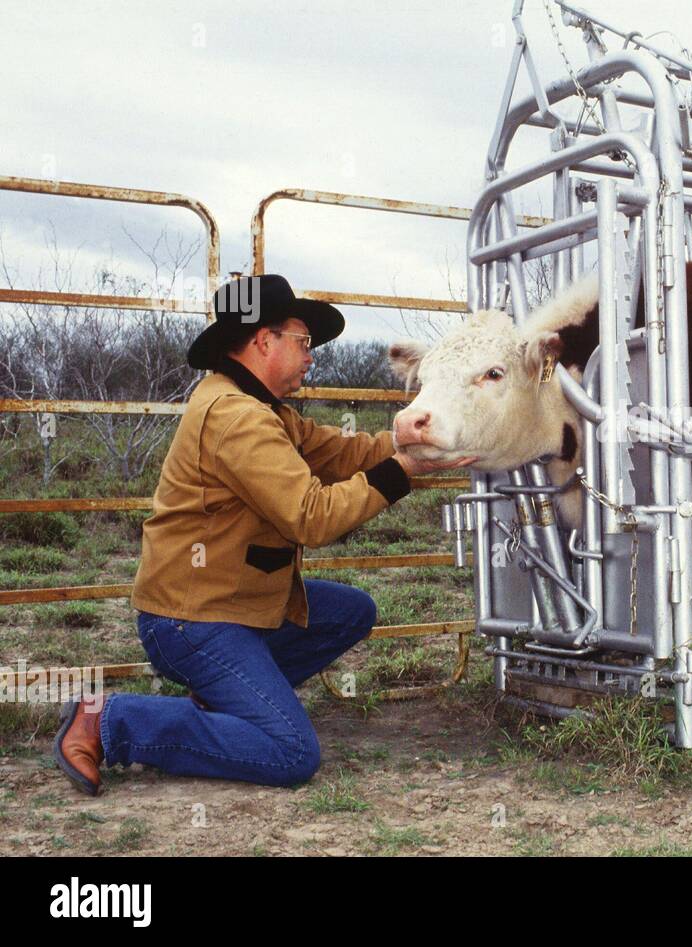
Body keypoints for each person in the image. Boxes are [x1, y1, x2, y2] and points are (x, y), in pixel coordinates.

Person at [53, 274, 445, 795]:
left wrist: (406, 437)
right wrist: (401, 471)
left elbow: (339, 452)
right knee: (291, 754)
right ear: (264, 341)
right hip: (191, 621)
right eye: (304, 343)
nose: (312, 357)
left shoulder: (264, 409)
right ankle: (108, 720)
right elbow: (311, 517)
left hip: (234, 603)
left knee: (351, 612)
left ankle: (225, 703)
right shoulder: (236, 416)